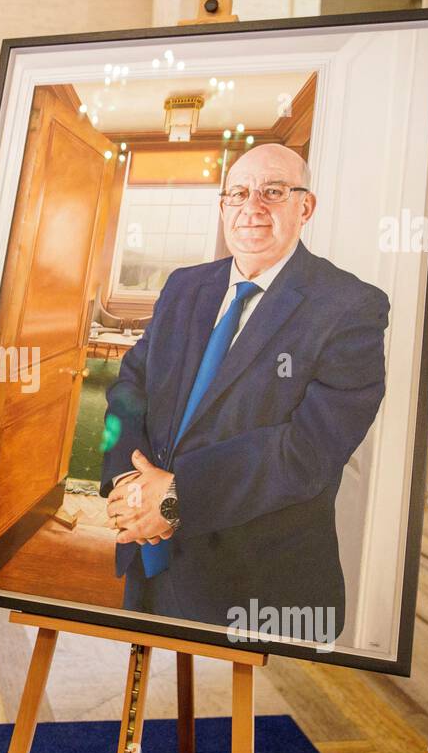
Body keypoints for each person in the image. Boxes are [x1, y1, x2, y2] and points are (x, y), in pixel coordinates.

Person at [102, 144, 390, 640]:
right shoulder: (183, 286)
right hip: (148, 555)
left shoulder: (349, 306)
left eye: (273, 191)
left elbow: (309, 449)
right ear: (222, 206)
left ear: (306, 207)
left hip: (251, 589)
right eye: (237, 192)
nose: (251, 207)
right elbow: (131, 389)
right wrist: (130, 483)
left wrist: (174, 496)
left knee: (229, 710)